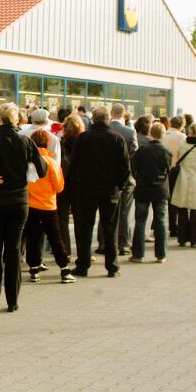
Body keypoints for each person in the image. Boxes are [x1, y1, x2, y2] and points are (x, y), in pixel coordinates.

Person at [0, 103, 47, 311]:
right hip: (18, 201)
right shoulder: (26, 142)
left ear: (0, 119)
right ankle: (12, 301)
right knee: (13, 251)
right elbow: (42, 170)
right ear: (16, 120)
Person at [66, 106, 130, 278]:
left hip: (86, 188)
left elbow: (73, 164)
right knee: (110, 228)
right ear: (108, 119)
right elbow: (125, 167)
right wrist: (120, 186)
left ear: (93, 119)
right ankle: (112, 266)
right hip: (110, 189)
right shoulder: (117, 138)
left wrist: (73, 187)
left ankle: (83, 264)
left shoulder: (83, 138)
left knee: (85, 228)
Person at [24, 129, 74, 283]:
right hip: (48, 205)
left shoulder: (27, 162)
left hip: (30, 205)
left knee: (32, 238)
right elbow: (59, 187)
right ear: (48, 143)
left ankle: (34, 269)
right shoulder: (52, 163)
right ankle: (64, 269)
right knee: (55, 238)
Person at [130, 122, 171, 262]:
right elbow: (168, 170)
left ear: (150, 133)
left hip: (143, 187)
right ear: (163, 135)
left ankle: (138, 254)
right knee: (160, 221)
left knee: (140, 221)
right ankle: (161, 254)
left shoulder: (142, 150)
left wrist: (139, 178)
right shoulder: (165, 151)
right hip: (160, 189)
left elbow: (134, 167)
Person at [102, 103, 137, 255]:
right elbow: (134, 154)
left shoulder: (105, 130)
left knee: (105, 211)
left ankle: (103, 243)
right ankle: (123, 244)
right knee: (124, 211)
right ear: (124, 114)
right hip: (125, 176)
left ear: (112, 113)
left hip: (105, 176)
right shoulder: (130, 132)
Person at [170, 122, 196, 247]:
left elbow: (176, 158)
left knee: (182, 208)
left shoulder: (182, 144)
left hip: (183, 178)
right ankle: (195, 239)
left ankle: (182, 238)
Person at [56, 114, 85, 259]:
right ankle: (82, 252)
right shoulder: (84, 143)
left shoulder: (61, 142)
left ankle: (65, 251)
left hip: (63, 183)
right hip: (79, 185)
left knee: (62, 219)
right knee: (81, 220)